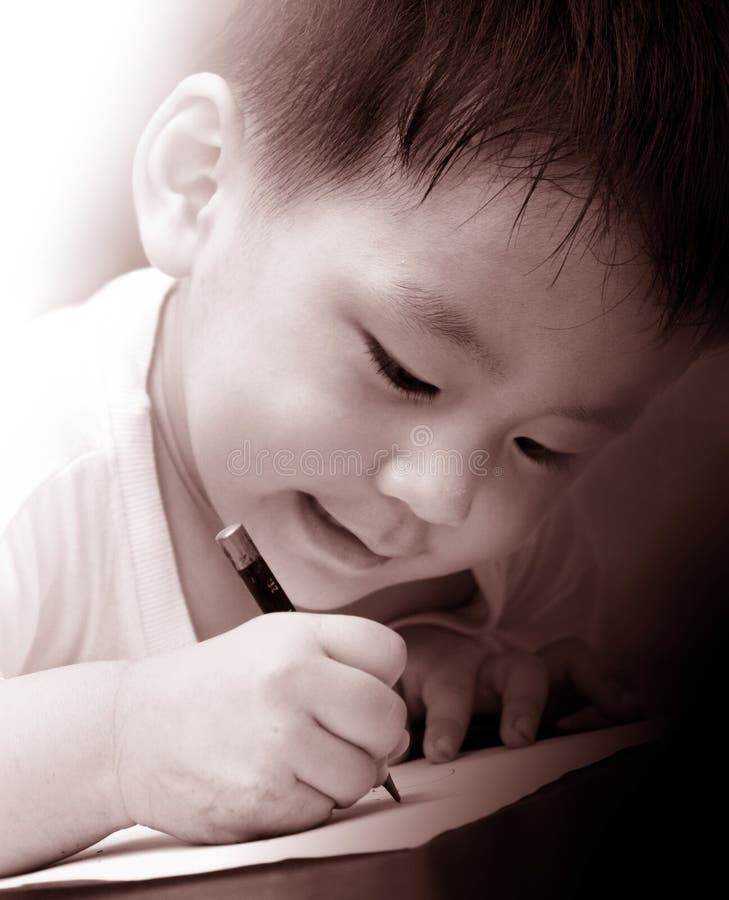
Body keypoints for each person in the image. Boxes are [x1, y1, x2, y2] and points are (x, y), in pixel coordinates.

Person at [1, 0, 726, 878]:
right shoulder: (29, 475)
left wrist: (467, 687)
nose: (444, 493)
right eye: (404, 372)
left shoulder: (508, 565)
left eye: (546, 449)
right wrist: (118, 740)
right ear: (200, 187)